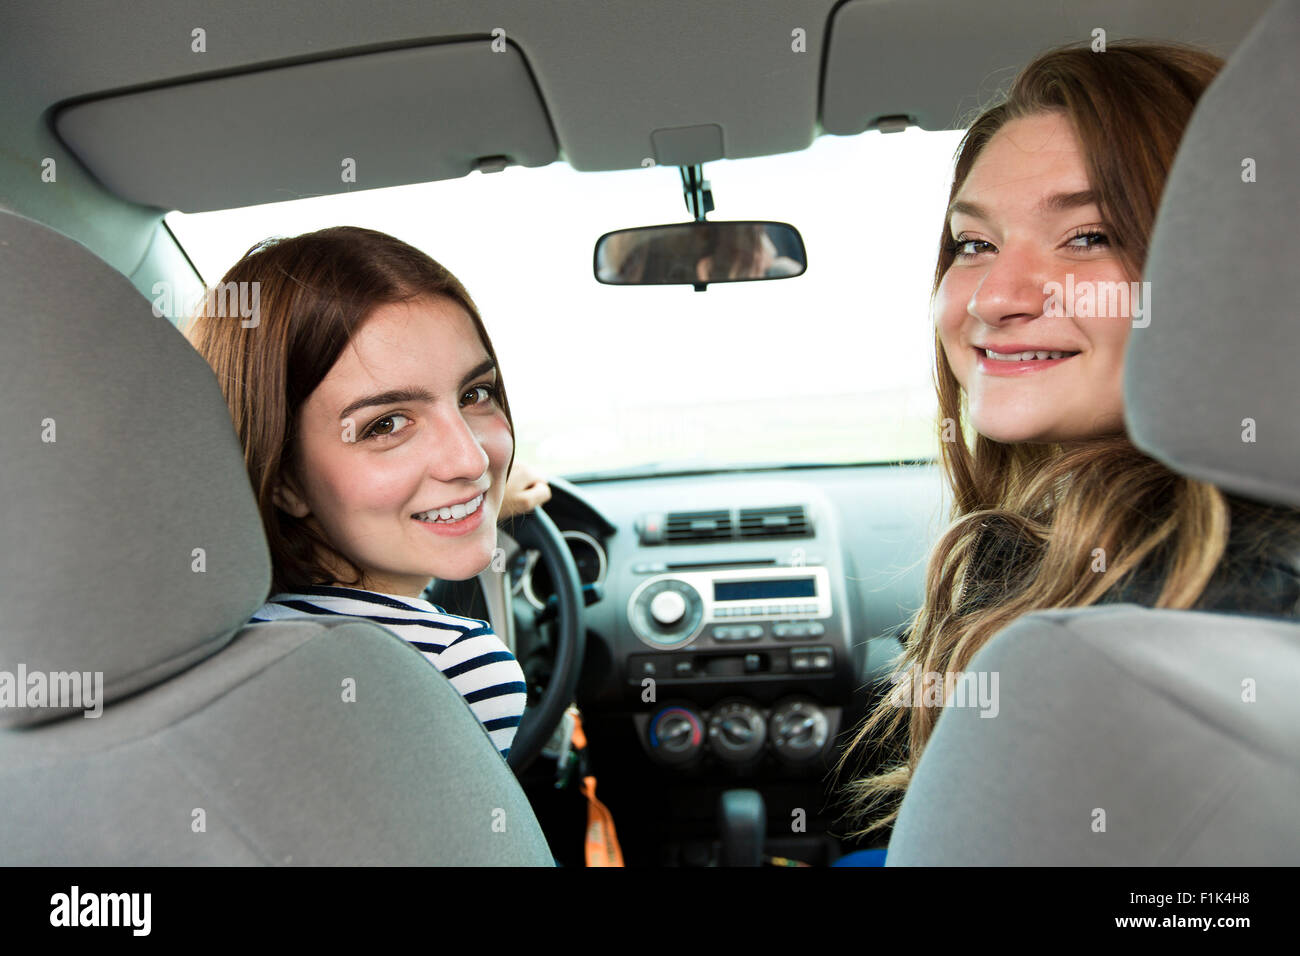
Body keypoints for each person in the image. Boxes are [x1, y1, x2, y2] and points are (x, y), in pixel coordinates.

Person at [833, 41, 1300, 846]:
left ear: (1231, 269)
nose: (996, 297)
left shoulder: (1105, 650)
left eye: (1088, 236)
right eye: (974, 244)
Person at [184, 226, 550, 761]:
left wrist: (474, 503)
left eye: (475, 394)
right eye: (386, 425)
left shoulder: (219, 644)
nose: (471, 460)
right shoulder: (456, 665)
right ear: (283, 479)